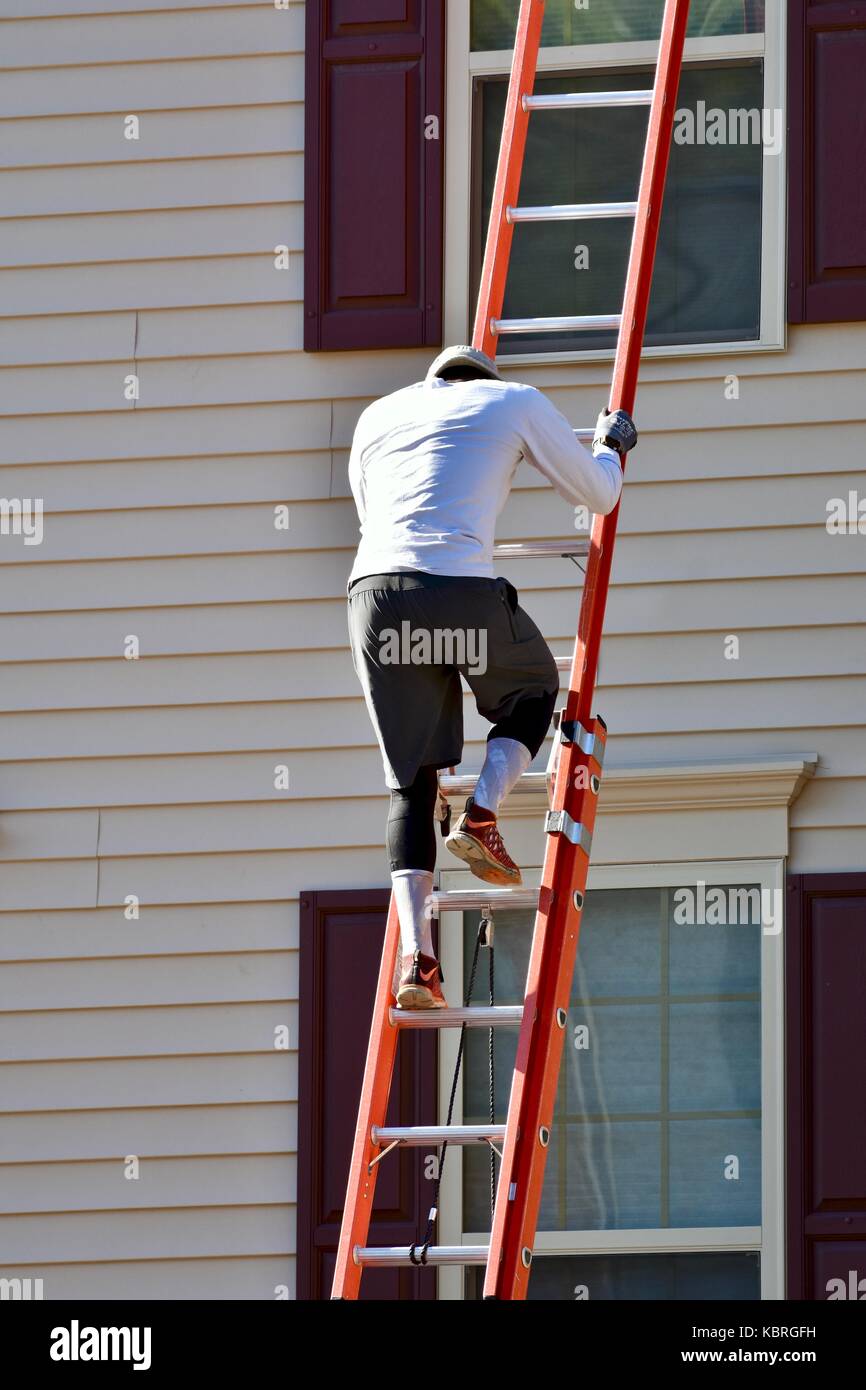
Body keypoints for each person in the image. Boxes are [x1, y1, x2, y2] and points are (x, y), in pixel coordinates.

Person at [347, 345, 637, 1009]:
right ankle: (482, 812)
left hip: (376, 600)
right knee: (533, 692)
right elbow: (599, 494)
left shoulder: (378, 416)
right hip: (457, 591)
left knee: (410, 785)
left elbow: (373, 515)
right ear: (484, 379)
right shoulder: (513, 401)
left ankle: (418, 964)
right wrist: (611, 445)